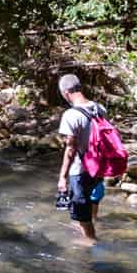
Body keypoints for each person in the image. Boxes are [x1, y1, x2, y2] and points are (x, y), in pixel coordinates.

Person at [56, 73, 107, 244]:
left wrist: (62, 176)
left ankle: (92, 242)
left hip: (80, 170)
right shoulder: (99, 108)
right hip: (98, 167)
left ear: (66, 93)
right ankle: (89, 229)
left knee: (81, 212)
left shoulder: (71, 115)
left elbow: (70, 149)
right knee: (89, 204)